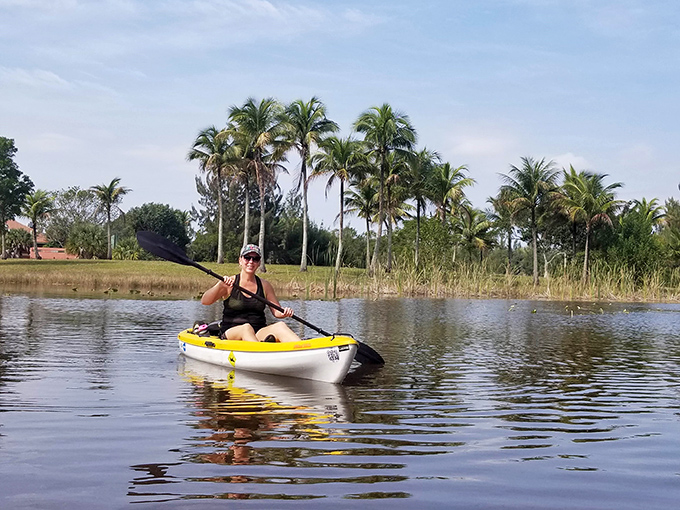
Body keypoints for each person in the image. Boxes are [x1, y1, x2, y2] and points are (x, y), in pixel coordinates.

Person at [200, 244, 302, 343]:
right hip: (232, 333)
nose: (251, 262)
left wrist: (285, 312)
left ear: (259, 263)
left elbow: (277, 312)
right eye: (247, 258)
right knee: (246, 328)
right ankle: (260, 354)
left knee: (280, 326)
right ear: (240, 260)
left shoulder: (265, 285)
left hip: (257, 333)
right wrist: (220, 284)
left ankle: (303, 350)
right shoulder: (228, 283)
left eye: (255, 259)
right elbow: (205, 301)